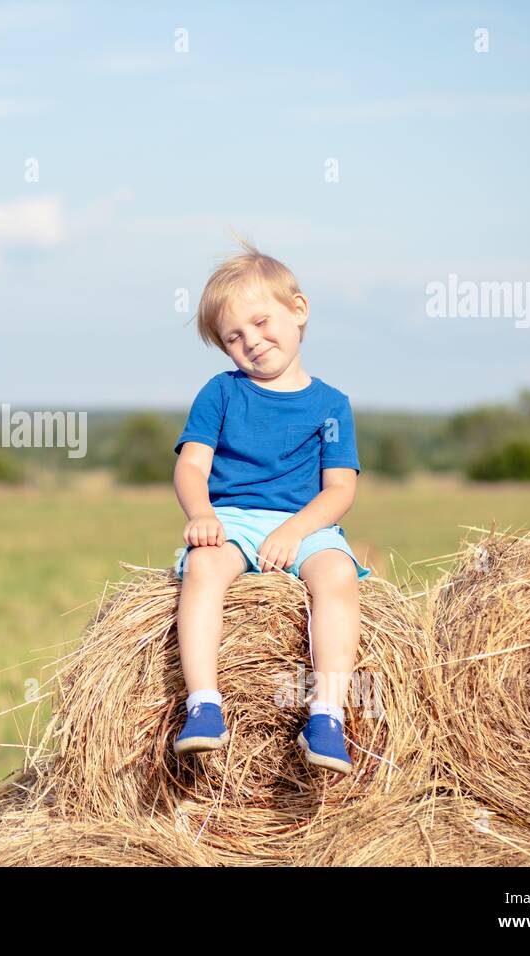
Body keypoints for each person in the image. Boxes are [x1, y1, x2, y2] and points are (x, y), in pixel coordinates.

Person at [171, 237, 372, 775]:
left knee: (336, 576)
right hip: (231, 517)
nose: (253, 342)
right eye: (234, 338)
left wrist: (294, 531)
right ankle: (204, 707)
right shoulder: (220, 393)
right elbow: (191, 466)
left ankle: (326, 715)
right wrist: (201, 514)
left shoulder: (332, 405)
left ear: (298, 310)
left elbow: (340, 491)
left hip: (307, 523)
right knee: (204, 568)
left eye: (261, 324)